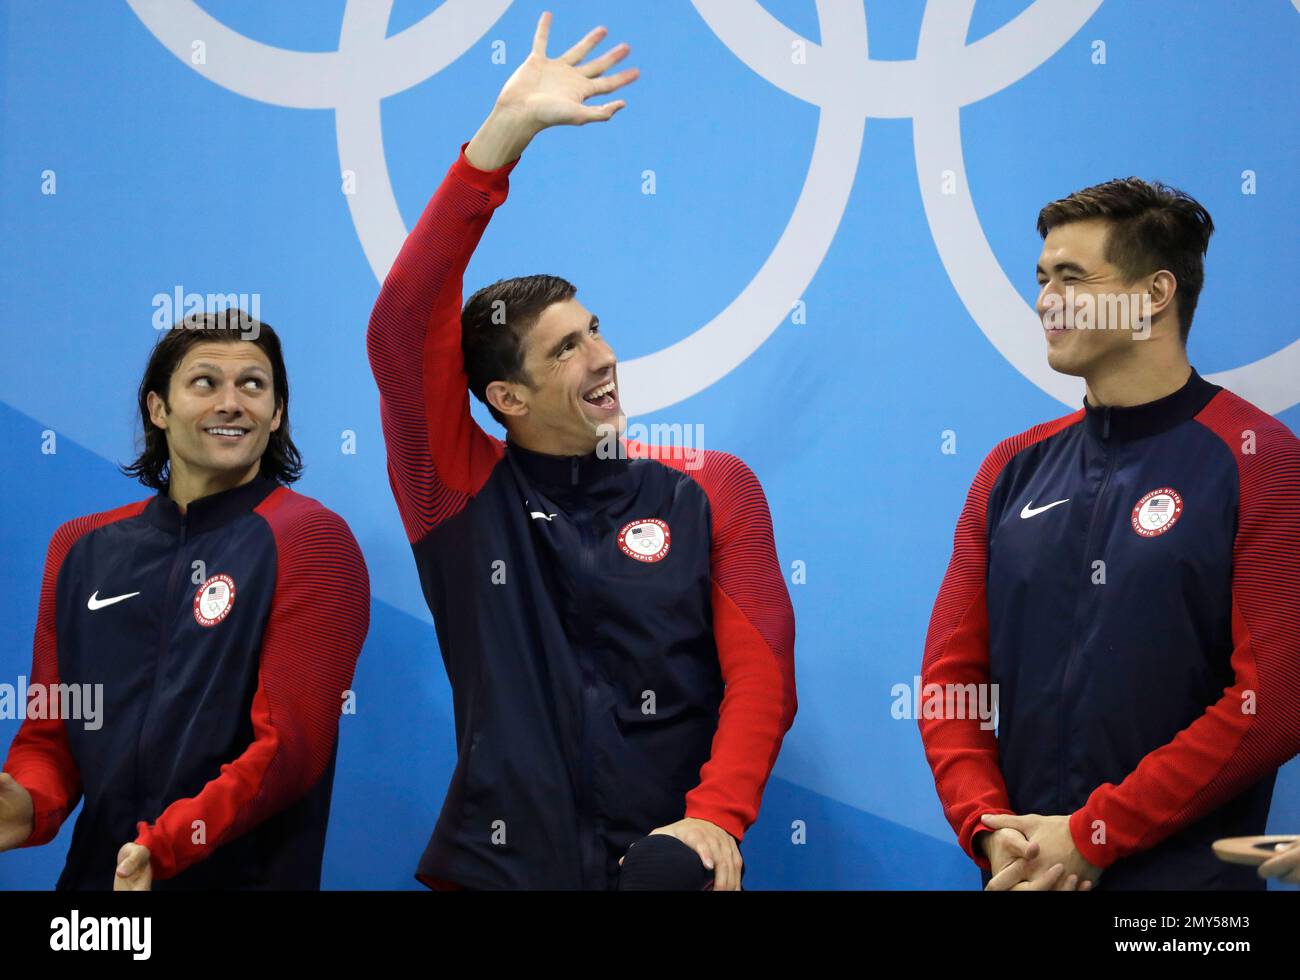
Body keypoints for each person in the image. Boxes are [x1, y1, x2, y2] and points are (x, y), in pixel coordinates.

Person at [366, 11, 796, 890]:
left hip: (669, 870)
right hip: (499, 870)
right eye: (564, 348)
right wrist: (500, 141)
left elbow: (763, 679)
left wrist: (714, 819)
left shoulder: (711, 488)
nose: (601, 356)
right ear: (507, 400)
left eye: (594, 330)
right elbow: (402, 328)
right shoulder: (455, 492)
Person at [918, 178, 1300, 890]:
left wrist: (1097, 834)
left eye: (1071, 277)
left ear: (1154, 294)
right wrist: (990, 829)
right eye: (1040, 278)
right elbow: (950, 683)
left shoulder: (1259, 459)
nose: (1043, 300)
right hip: (1023, 874)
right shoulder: (1009, 468)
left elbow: (1276, 700)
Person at [0, 309, 370, 890]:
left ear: (276, 414)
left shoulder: (311, 538)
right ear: (158, 408)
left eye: (254, 385)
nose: (231, 402)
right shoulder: (80, 547)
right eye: (205, 382)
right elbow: (54, 734)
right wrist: (22, 803)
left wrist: (167, 845)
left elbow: (289, 749)